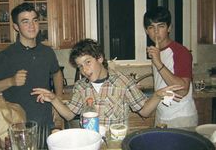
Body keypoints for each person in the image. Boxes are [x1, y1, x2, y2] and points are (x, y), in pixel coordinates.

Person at [31, 38, 183, 129]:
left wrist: (157, 96)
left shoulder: (123, 82)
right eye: (80, 66)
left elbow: (144, 111)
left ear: (99, 58)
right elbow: (69, 115)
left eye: (88, 62)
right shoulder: (80, 86)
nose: (84, 69)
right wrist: (53, 99)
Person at [0, 2, 64, 148]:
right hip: (19, 128)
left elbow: (57, 73)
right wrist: (11, 81)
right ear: (16, 27)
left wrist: (58, 98)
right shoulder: (6, 56)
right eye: (25, 21)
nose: (32, 25)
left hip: (46, 124)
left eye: (35, 20)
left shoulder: (47, 52)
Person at [144, 6, 198, 128]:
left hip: (181, 118)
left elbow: (183, 90)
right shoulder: (156, 52)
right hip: (162, 115)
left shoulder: (181, 52)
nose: (156, 32)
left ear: (169, 28)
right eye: (151, 27)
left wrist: (158, 63)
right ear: (147, 31)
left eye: (161, 26)